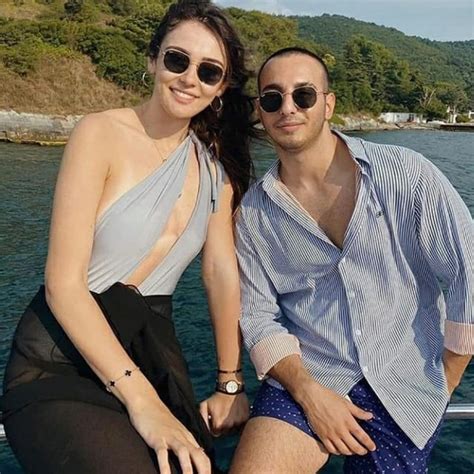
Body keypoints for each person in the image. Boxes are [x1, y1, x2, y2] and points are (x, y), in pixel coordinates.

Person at [1, 1, 256, 473]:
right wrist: (144, 403)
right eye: (177, 60)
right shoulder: (99, 133)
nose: (189, 78)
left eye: (208, 71)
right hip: (60, 357)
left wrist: (229, 382)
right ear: (153, 60)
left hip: (151, 354)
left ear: (221, 87)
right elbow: (63, 284)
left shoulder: (216, 171)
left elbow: (221, 273)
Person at [230, 46, 473, 474]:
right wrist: (307, 392)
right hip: (309, 376)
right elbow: (258, 316)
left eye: (303, 95)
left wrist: (446, 381)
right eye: (272, 98)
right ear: (260, 111)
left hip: (406, 385)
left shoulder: (406, 174)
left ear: (328, 104)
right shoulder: (254, 214)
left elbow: (466, 272)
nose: (288, 107)